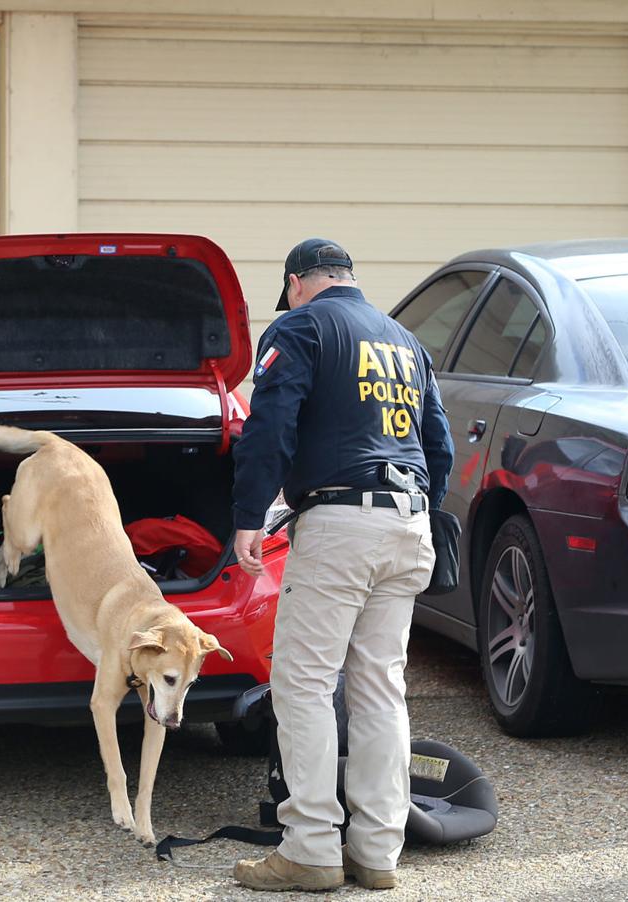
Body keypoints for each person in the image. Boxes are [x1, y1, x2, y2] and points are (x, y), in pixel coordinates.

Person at [231, 238, 455, 892]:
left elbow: (269, 425)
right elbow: (435, 444)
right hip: (408, 523)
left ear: (298, 282)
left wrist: (250, 515)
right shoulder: (404, 340)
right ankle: (378, 853)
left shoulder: (300, 325)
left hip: (339, 525)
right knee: (380, 689)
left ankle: (310, 849)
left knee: (302, 684)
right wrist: (412, 514)